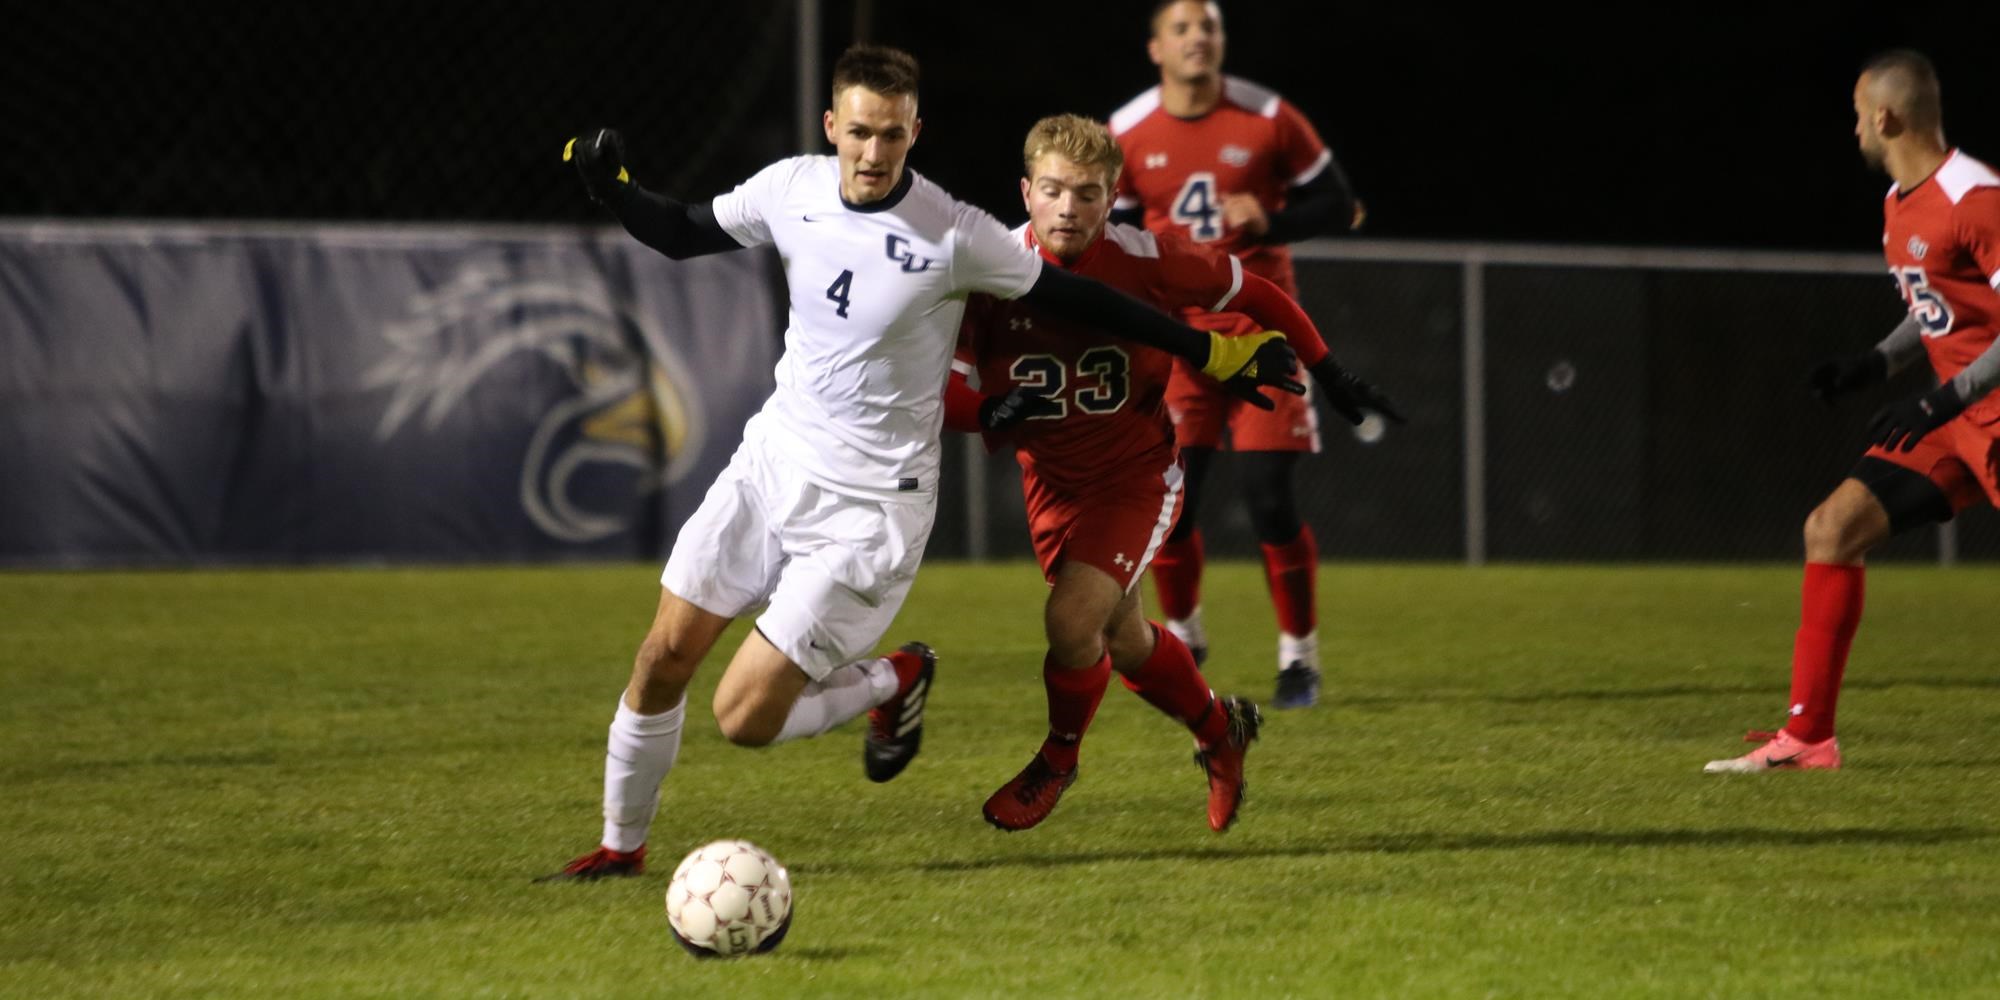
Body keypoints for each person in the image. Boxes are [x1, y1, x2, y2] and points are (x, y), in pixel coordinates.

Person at [541, 45, 1305, 880]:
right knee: (661, 660)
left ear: (916, 133)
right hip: (771, 462)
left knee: (744, 718)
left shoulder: (954, 232)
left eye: (893, 136)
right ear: (833, 126)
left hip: (872, 508)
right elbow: (685, 232)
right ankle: (622, 848)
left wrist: (1206, 350)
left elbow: (1077, 296)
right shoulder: (790, 187)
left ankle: (894, 679)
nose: (874, 154)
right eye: (860, 133)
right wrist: (614, 191)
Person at [947, 114, 1396, 832]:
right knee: (1123, 638)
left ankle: (1058, 760)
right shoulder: (984, 269)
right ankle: (1220, 730)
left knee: (1071, 622)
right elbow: (946, 389)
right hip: (1051, 485)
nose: (1070, 208)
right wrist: (987, 412)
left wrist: (1328, 369)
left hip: (1137, 476)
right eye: (1055, 190)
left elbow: (1257, 292)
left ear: (1114, 194)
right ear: (1026, 191)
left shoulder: (1147, 257)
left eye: (1088, 193)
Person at [1705, 50, 2000, 773]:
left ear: (1885, 117)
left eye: (1857, 116)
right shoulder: (1901, 202)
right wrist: (1878, 362)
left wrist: (1942, 397)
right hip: (1955, 418)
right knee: (1832, 528)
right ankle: (1808, 739)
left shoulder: (1976, 196)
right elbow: (1936, 309)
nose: (1855, 132)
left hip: (1978, 407)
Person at [1109, 0, 1393, 711]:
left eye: (1209, 25)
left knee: (1270, 498)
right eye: (1182, 27)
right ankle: (1185, 636)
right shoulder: (1126, 130)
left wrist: (1274, 220)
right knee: (1173, 510)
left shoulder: (1267, 115)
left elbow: (1340, 205)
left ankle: (1299, 658)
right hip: (1180, 342)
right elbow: (1110, 236)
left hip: (1263, 332)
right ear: (1155, 48)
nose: (1198, 37)